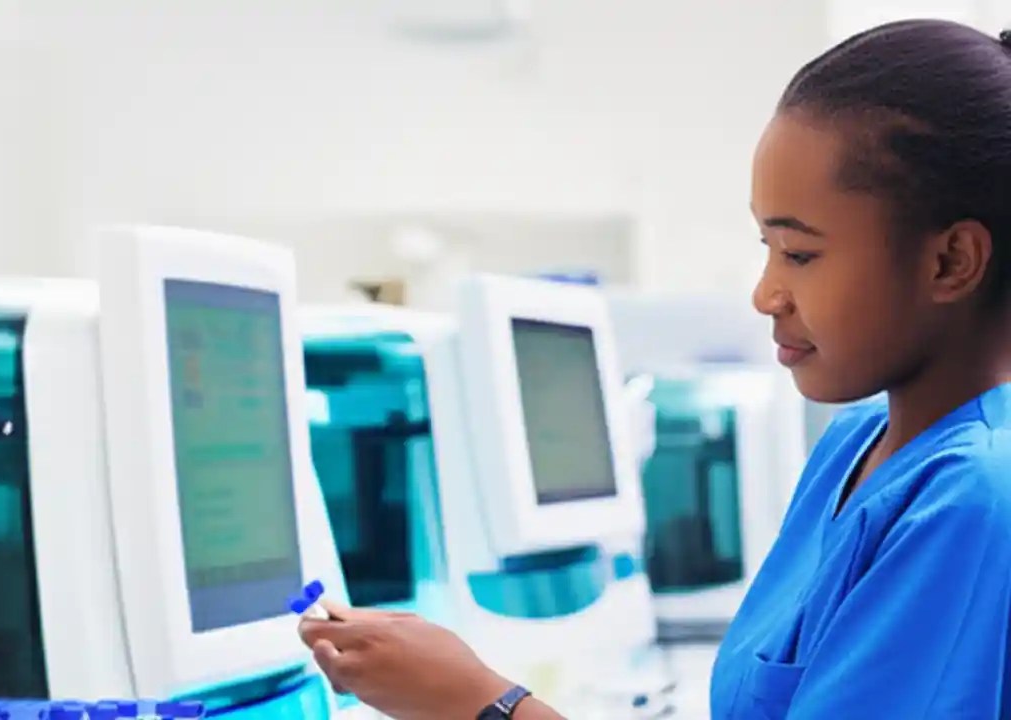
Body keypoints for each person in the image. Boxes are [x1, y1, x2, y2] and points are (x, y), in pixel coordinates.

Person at [299, 18, 1011, 719]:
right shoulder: (856, 443)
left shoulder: (974, 501)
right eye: (765, 246)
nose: (765, 294)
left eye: (799, 254)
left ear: (950, 261)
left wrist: (482, 703)